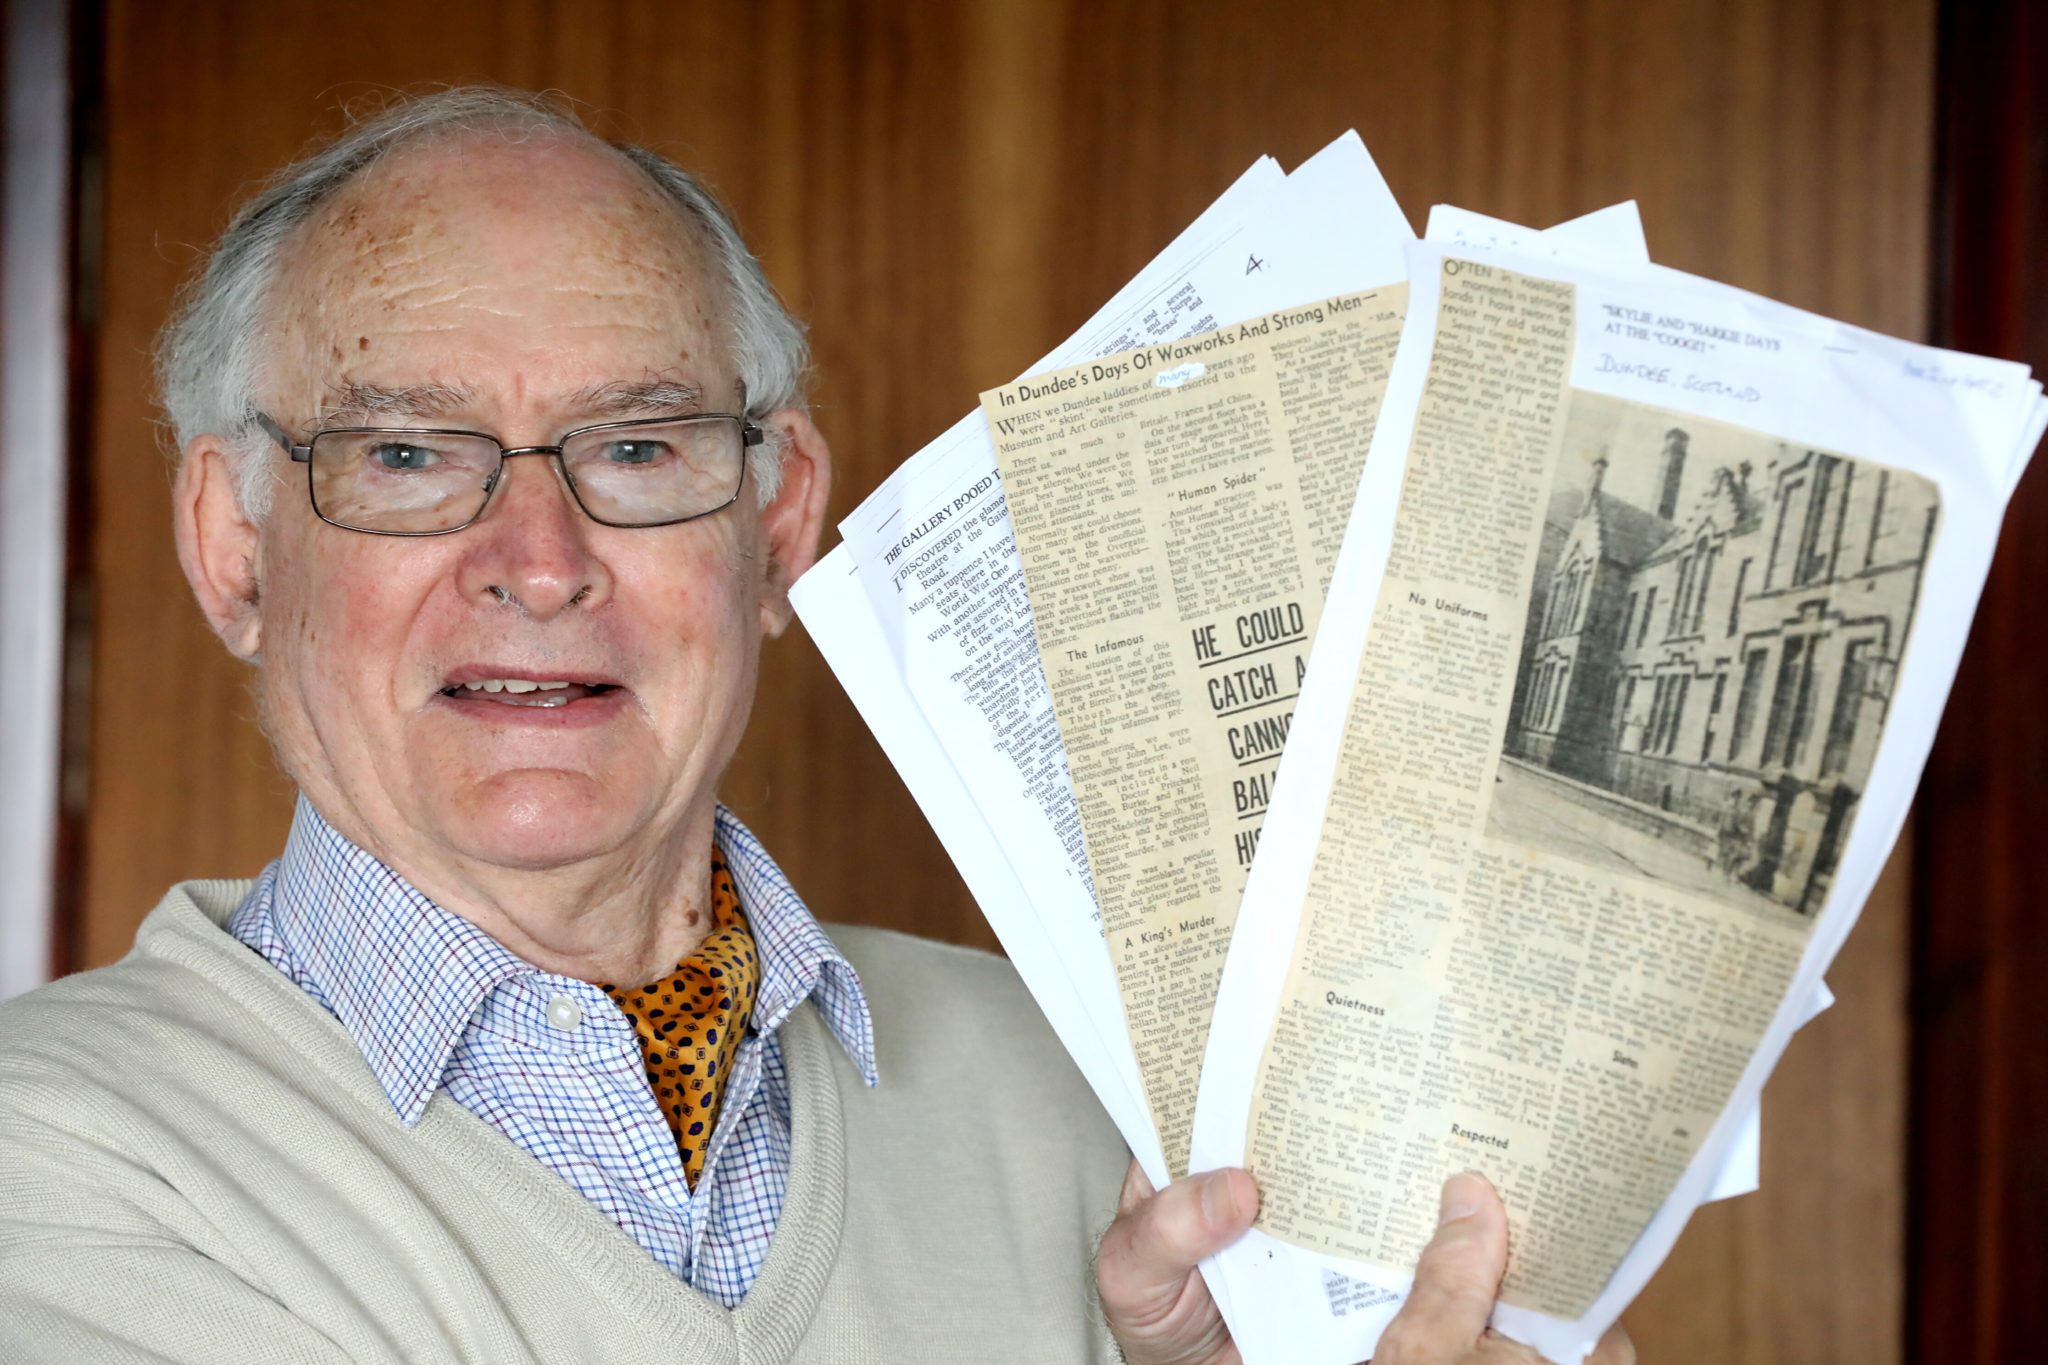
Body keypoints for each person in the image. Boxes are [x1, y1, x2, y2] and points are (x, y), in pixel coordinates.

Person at [0, 88, 1629, 1364]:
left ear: (777, 528)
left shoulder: (1118, 1093)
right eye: (411, 456)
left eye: (637, 448)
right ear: (234, 546)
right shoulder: (58, 1162)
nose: (541, 563)